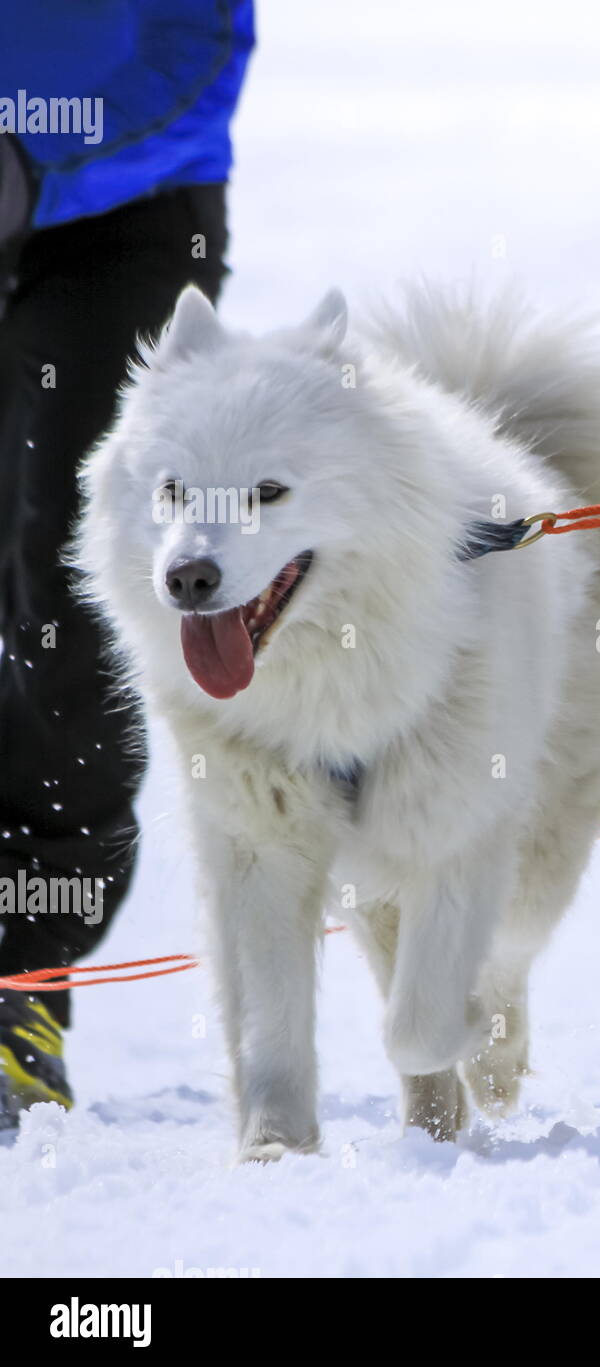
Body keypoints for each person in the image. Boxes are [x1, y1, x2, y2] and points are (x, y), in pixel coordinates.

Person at [0, 1, 254, 1125]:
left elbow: (199, 31)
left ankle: (23, 981)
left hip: (126, 207)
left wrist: (30, 145)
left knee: (66, 572)